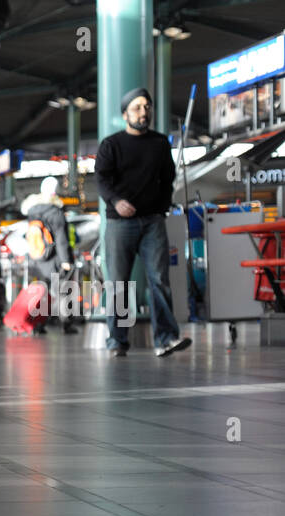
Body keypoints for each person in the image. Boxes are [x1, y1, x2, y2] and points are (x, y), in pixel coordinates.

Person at [96, 87, 191, 359]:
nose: (143, 112)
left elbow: (167, 178)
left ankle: (166, 338)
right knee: (120, 284)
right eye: (136, 107)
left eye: (147, 107)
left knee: (159, 280)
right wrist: (116, 202)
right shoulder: (111, 145)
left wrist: (160, 208)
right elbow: (101, 180)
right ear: (125, 114)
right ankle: (117, 341)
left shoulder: (160, 144)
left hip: (152, 223)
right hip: (119, 224)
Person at [20, 177, 78, 335]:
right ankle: (67, 324)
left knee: (41, 293)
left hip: (37, 258)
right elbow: (61, 238)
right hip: (54, 259)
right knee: (62, 291)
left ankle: (38, 324)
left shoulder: (32, 211)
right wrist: (66, 260)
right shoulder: (55, 211)